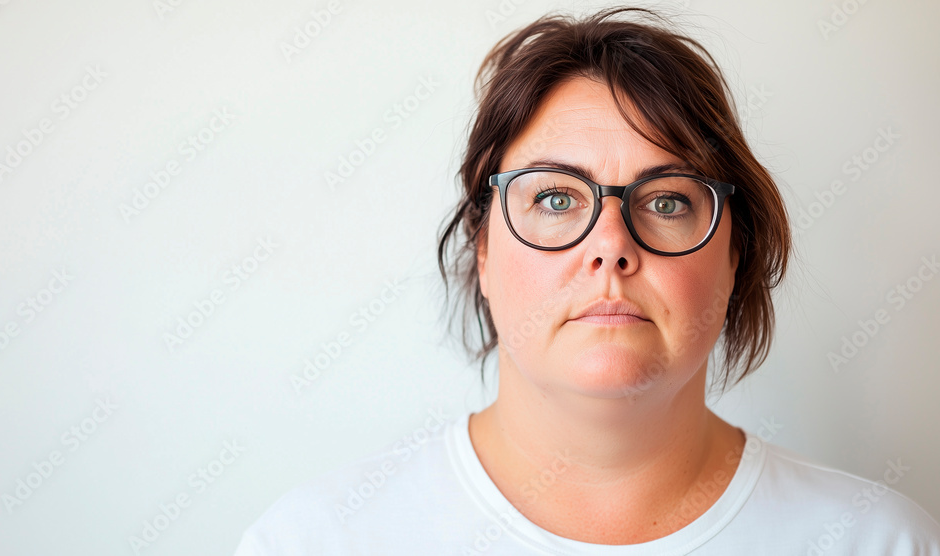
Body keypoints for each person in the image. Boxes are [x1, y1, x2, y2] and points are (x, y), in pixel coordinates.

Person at [234, 7, 940, 554]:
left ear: (734, 255)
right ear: (482, 250)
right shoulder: (312, 541)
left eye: (666, 201)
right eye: (554, 198)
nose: (610, 246)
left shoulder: (881, 542)